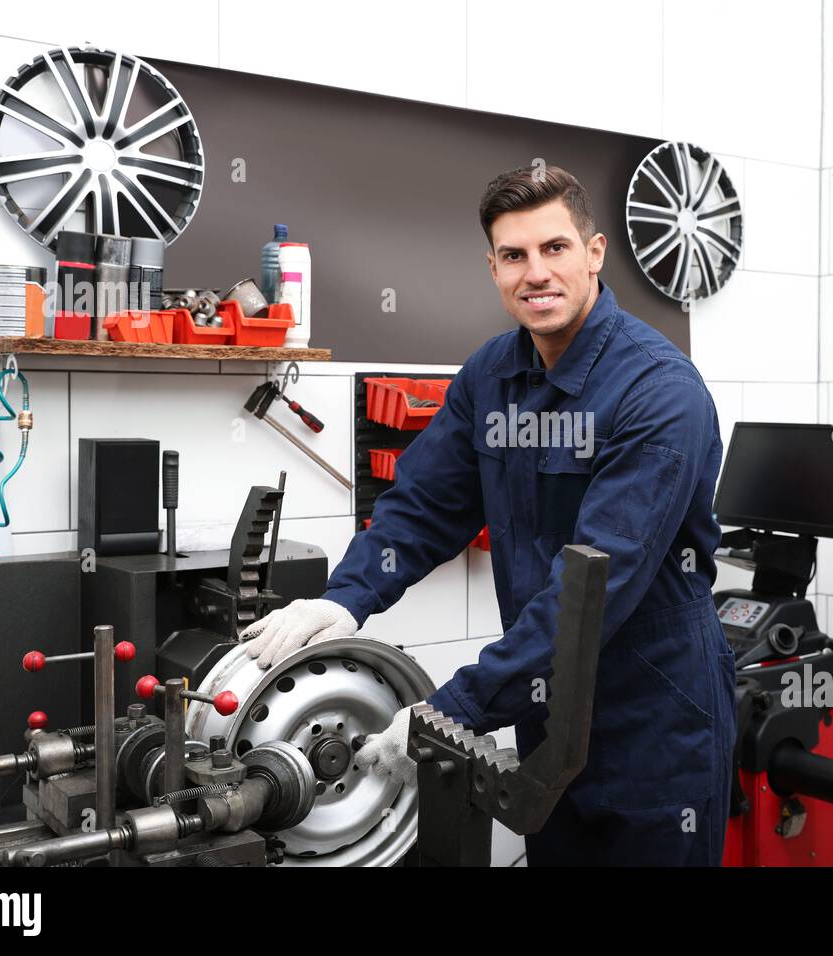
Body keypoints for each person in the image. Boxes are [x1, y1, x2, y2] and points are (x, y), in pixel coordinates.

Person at [240, 164, 736, 865]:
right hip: (548, 711)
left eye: (555, 248)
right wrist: (346, 600)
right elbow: (423, 505)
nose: (536, 272)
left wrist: (452, 710)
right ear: (494, 268)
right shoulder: (491, 375)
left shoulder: (659, 393)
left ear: (594, 253)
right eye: (514, 255)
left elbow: (592, 594)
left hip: (656, 717)